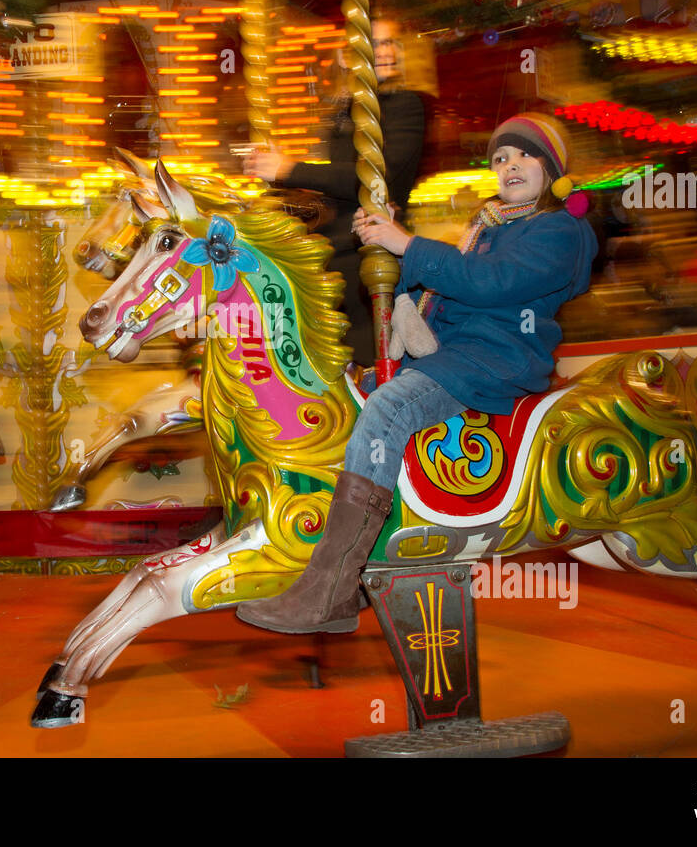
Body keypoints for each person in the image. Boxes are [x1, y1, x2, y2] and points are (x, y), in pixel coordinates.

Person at [237, 113, 598, 634]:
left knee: (385, 411)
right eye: (500, 158)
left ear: (553, 169)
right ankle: (342, 565)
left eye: (524, 155)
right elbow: (447, 280)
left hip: (493, 358)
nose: (510, 165)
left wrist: (408, 244)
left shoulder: (558, 230)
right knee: (345, 399)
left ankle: (329, 589)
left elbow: (490, 284)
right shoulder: (491, 223)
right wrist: (383, 243)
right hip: (451, 353)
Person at [245, 19, 431, 367]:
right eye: (376, 45)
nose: (387, 52)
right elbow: (340, 189)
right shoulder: (345, 110)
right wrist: (285, 184)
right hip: (340, 244)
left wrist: (288, 169)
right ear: (347, 58)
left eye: (392, 43)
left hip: (367, 251)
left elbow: (376, 178)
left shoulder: (403, 104)